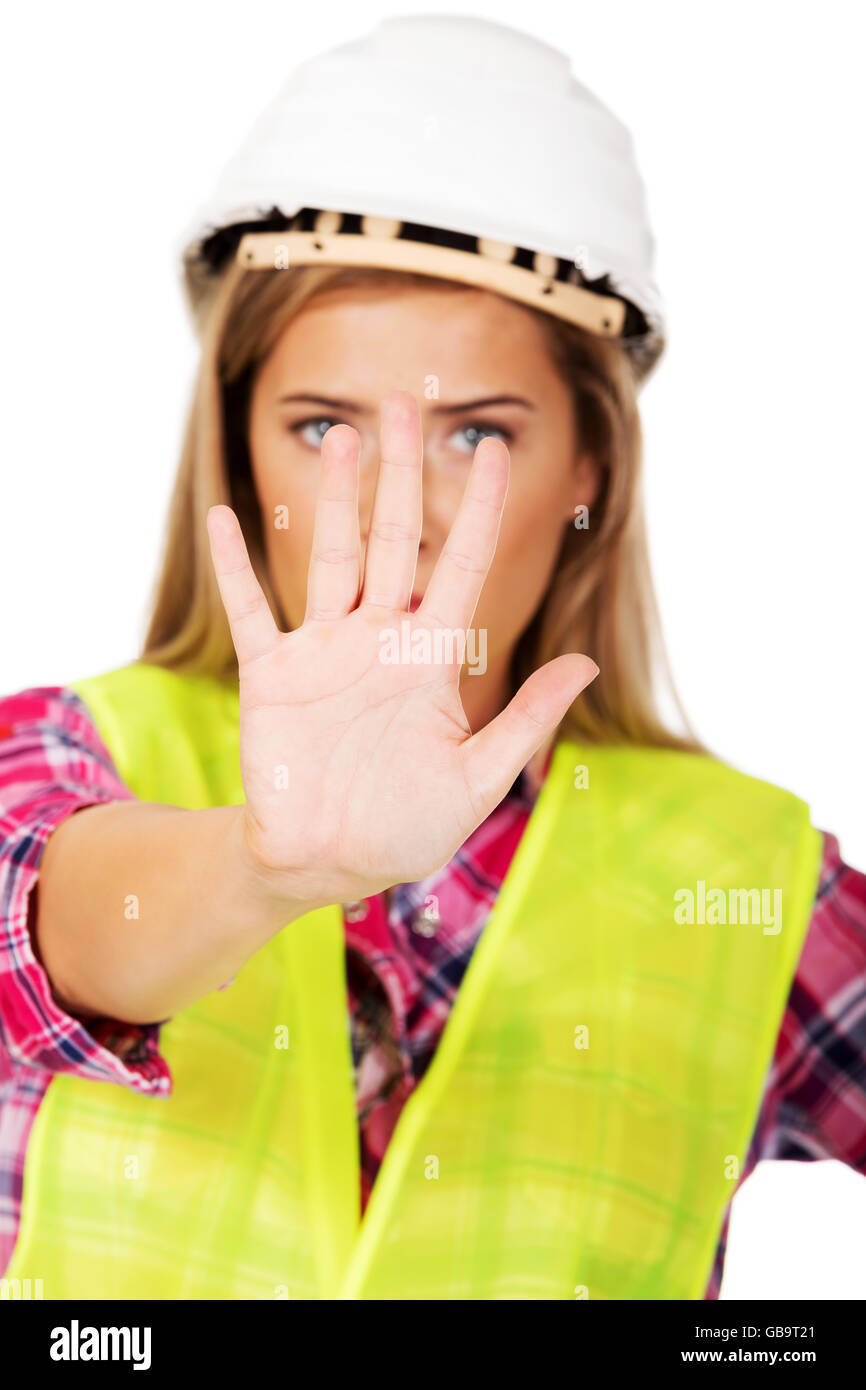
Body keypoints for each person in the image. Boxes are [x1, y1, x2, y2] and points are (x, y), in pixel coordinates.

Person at [1, 14, 864, 1301]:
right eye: (320, 425)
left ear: (589, 466)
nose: (388, 505)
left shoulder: (750, 885)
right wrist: (259, 864)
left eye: (475, 435)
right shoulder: (62, 756)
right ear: (234, 448)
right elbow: (60, 935)